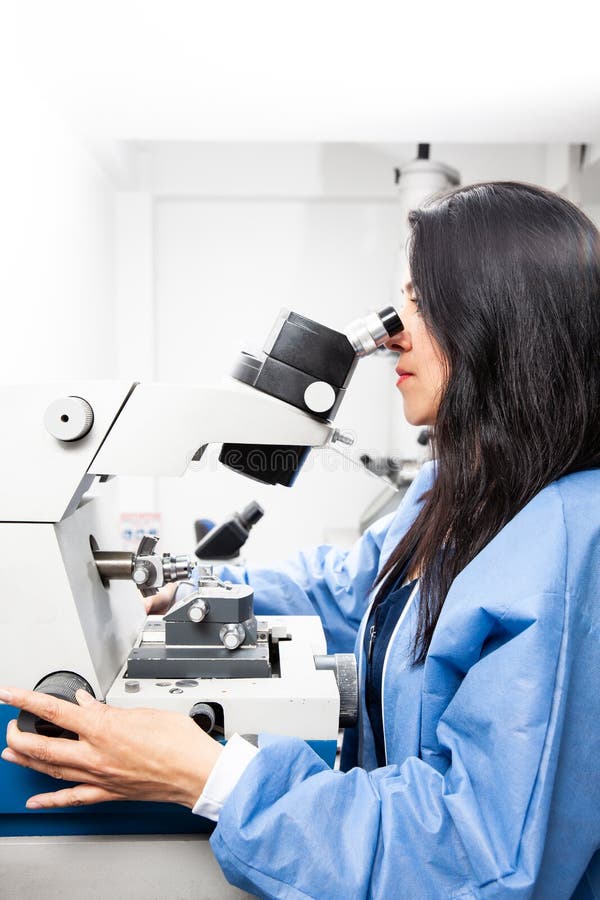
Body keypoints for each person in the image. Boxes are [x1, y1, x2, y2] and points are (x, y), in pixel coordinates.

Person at [2, 181, 600, 899]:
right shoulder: (462, 486)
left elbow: (484, 853)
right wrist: (199, 589)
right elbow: (353, 591)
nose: (392, 334)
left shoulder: (575, 545)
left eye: (418, 299)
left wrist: (209, 775)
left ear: (501, 318)